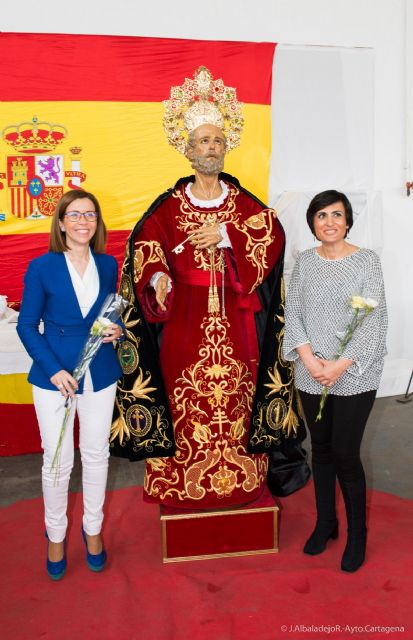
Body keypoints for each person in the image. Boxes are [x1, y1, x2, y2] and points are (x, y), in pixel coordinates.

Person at [110, 66, 305, 509]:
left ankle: (241, 481)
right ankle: (181, 485)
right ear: (188, 149)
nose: (211, 147)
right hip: (184, 319)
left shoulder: (243, 202)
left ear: (226, 146)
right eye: (202, 141)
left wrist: (227, 235)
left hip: (237, 321)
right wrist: (157, 276)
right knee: (184, 398)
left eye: (217, 140)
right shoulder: (169, 206)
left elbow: (272, 234)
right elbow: (146, 243)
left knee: (238, 397)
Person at [17, 190, 123, 580]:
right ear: (61, 222)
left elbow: (111, 312)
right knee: (57, 460)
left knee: (96, 455)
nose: (83, 221)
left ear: (97, 222)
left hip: (101, 372)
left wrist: (117, 329)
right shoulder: (41, 267)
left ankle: (92, 529)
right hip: (55, 378)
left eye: (90, 214)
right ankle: (56, 535)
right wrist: (52, 370)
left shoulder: (108, 263)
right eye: (74, 215)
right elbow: (28, 326)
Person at [283, 189, 387, 572]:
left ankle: (357, 534)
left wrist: (339, 365)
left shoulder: (367, 261)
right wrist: (311, 361)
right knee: (322, 449)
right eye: (322, 215)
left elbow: (373, 319)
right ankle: (326, 522)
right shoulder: (305, 262)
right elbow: (293, 311)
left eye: (337, 214)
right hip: (312, 371)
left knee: (345, 453)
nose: (330, 222)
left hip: (355, 372)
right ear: (312, 223)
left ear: (348, 221)